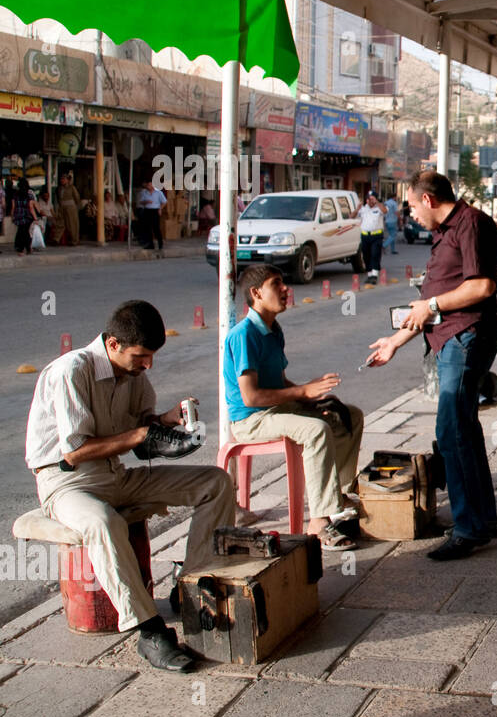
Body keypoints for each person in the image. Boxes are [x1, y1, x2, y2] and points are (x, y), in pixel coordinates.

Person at [25, 301, 237, 672]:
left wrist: (167, 421)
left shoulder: (134, 373)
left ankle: (190, 585)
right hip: (66, 483)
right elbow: (75, 452)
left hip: (115, 475)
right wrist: (141, 433)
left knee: (215, 482)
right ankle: (149, 631)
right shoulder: (71, 371)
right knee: (102, 522)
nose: (148, 365)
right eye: (141, 356)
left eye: (152, 356)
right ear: (112, 344)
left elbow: (140, 437)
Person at [365, 170, 497, 561]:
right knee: (462, 432)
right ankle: (479, 521)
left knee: (452, 429)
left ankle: (469, 528)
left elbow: (481, 286)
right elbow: (430, 308)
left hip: (467, 338)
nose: (410, 214)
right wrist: (394, 341)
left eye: (410, 205)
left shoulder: (471, 223)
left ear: (427, 199)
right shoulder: (445, 233)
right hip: (450, 339)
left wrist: (433, 305)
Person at [223, 265, 365, 550]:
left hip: (277, 409)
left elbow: (279, 380)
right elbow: (250, 398)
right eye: (277, 284)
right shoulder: (244, 335)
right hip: (252, 419)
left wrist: (309, 398)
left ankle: (337, 493)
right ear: (256, 293)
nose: (286, 289)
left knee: (348, 415)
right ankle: (319, 522)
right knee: (316, 430)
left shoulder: (274, 329)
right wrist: (301, 391)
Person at [354, 191, 386, 282]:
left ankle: (374, 275)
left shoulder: (379, 208)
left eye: (372, 198)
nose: (369, 200)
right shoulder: (363, 209)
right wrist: (357, 209)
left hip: (376, 236)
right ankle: (369, 275)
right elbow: (351, 216)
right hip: (365, 236)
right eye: (368, 198)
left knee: (375, 254)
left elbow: (385, 211)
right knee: (366, 256)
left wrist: (377, 203)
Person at [135, 179, 166, 251]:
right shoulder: (144, 192)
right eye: (147, 185)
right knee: (147, 228)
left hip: (155, 210)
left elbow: (164, 202)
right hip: (147, 210)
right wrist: (146, 201)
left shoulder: (158, 193)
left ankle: (160, 243)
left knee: (156, 228)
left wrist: (160, 209)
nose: (148, 186)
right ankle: (150, 244)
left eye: (149, 185)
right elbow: (141, 202)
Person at [8, 178, 35, 256]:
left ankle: (21, 248)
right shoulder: (29, 195)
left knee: (21, 231)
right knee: (26, 232)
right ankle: (28, 248)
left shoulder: (15, 195)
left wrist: (12, 215)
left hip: (18, 215)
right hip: (27, 216)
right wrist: (34, 217)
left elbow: (13, 206)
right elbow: (31, 207)